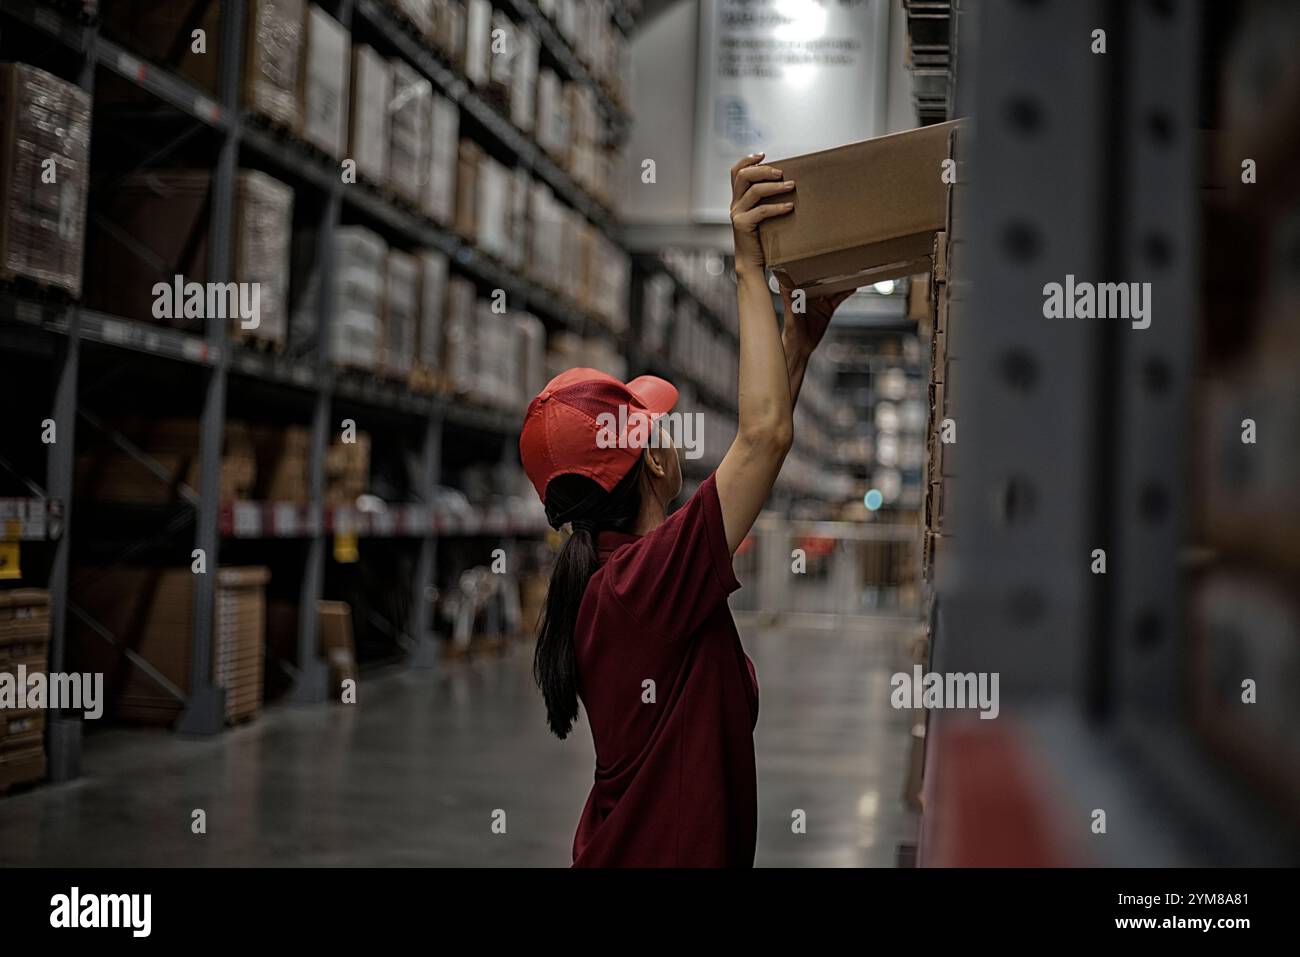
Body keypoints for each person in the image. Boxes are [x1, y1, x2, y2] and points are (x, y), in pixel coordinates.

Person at [517, 153, 851, 867]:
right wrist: (745, 263)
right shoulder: (640, 586)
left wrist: (796, 344)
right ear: (650, 463)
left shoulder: (632, 575)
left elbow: (759, 452)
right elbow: (763, 438)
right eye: (658, 429)